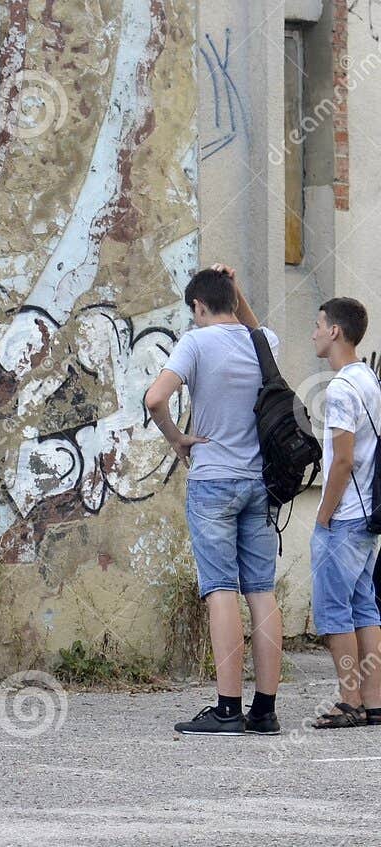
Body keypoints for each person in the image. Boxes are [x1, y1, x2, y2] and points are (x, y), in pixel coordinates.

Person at [143, 266, 283, 736]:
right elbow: (255, 330)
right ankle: (264, 711)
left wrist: (177, 438)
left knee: (221, 589)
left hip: (214, 480)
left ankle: (227, 708)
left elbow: (154, 398)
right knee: (261, 591)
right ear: (233, 299)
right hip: (260, 483)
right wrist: (235, 290)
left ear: (198, 307)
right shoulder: (262, 342)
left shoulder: (195, 342)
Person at [307, 298, 381, 727]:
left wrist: (323, 517)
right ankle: (373, 702)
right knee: (365, 607)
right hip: (370, 514)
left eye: (318, 325)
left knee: (335, 610)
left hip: (345, 517)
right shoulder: (368, 379)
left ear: (335, 331)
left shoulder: (337, 389)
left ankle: (348, 700)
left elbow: (342, 460)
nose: (314, 332)